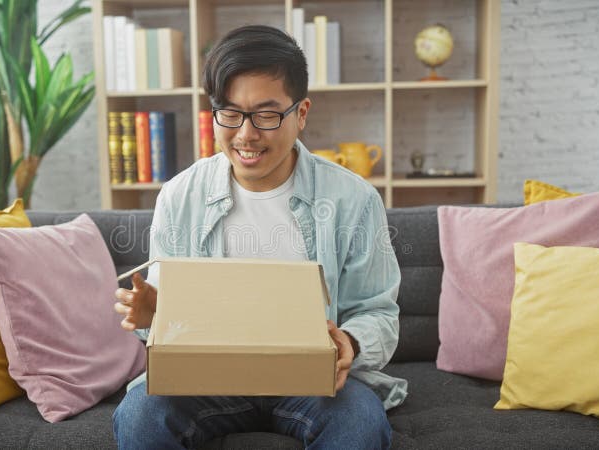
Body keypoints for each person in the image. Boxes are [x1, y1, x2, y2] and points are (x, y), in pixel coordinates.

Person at [112, 25, 406, 450]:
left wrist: (352, 342)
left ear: (301, 113)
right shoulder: (180, 195)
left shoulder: (353, 198)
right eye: (230, 114)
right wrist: (152, 316)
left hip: (313, 381)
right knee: (140, 414)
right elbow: (164, 319)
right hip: (208, 381)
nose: (246, 134)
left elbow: (379, 312)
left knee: (360, 421)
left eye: (266, 115)